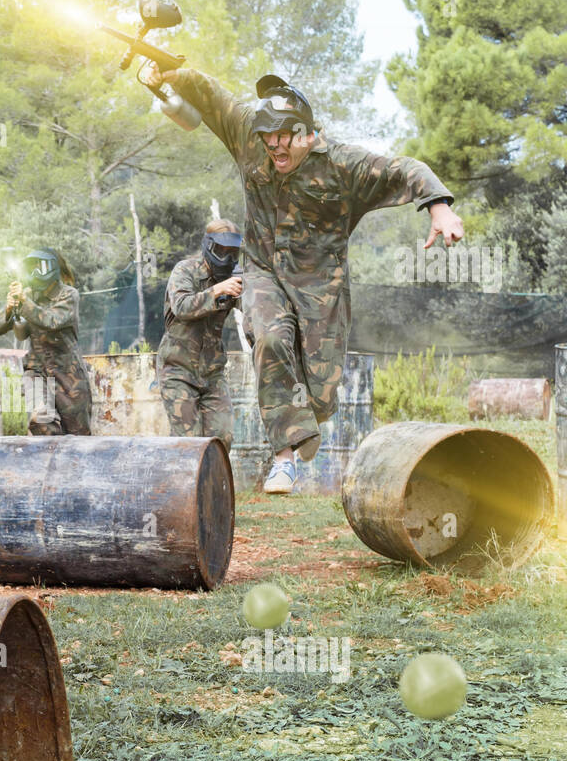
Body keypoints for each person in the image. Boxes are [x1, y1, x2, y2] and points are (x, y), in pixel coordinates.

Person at [144, 65, 464, 493]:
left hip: (321, 288)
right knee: (271, 336)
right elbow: (210, 92)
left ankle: (304, 424)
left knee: (320, 392)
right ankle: (284, 457)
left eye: (283, 138)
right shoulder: (249, 137)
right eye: (267, 137)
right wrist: (169, 73)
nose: (274, 146)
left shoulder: (344, 166)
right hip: (262, 273)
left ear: (307, 134)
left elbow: (403, 168)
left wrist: (438, 206)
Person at [158, 218, 244, 448]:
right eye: (221, 251)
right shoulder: (185, 270)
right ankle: (181, 484)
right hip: (178, 371)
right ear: (208, 246)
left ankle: (214, 484)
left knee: (222, 438)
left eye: (232, 253)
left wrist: (252, 292)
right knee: (188, 444)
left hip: (212, 373)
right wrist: (216, 291)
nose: (226, 259)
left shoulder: (232, 277)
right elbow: (182, 306)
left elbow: (255, 311)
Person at [0, 248, 91, 435]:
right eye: (32, 267)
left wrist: (24, 301)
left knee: (79, 440)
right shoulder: (28, 295)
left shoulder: (69, 295)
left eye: (40, 267)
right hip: (36, 373)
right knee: (42, 423)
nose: (36, 272)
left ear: (52, 268)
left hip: (69, 377)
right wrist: (9, 308)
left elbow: (50, 320)